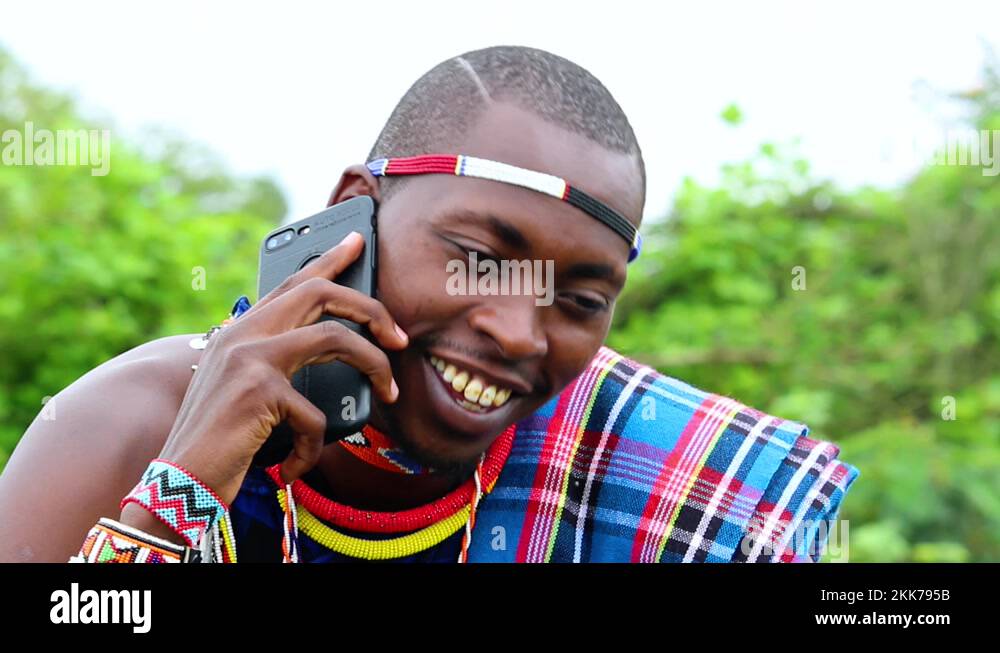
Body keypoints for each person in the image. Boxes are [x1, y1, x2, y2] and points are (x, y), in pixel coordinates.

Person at [0, 45, 858, 563]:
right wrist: (180, 489)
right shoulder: (124, 430)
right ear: (353, 210)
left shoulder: (690, 491)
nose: (518, 331)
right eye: (481, 259)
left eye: (580, 297)